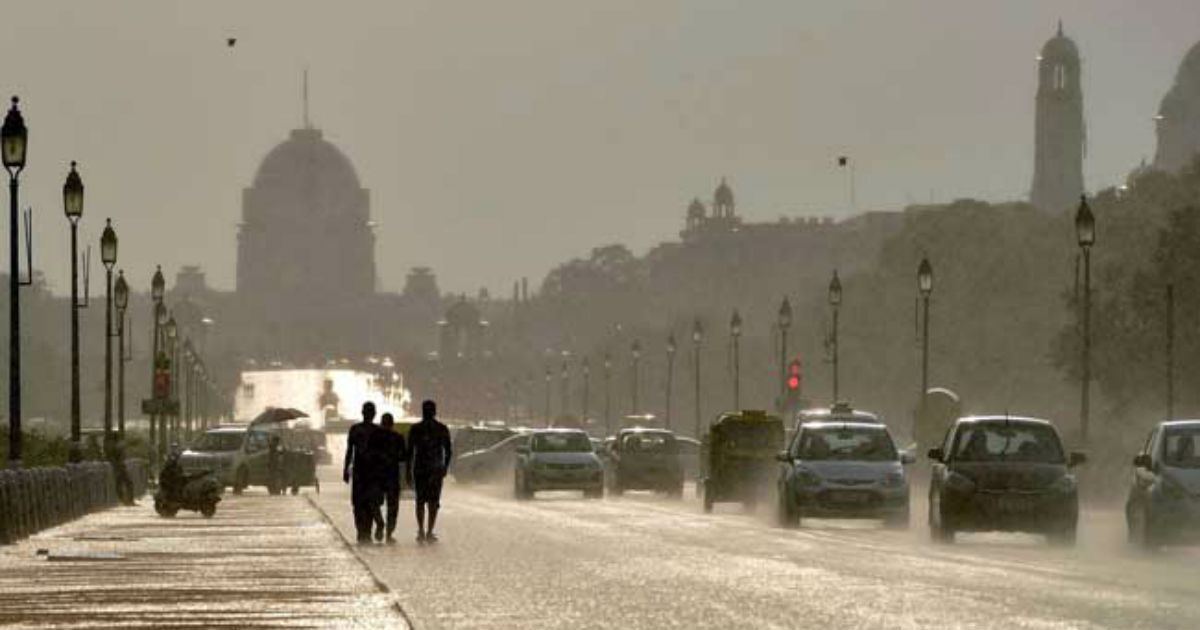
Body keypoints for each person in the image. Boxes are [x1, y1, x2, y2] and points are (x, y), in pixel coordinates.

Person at [407, 400, 452, 543]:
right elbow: (448, 451)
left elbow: (410, 452)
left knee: (420, 500)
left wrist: (408, 471)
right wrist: (445, 467)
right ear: (434, 412)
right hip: (435, 469)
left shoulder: (416, 429)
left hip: (420, 468)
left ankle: (421, 530)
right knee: (433, 501)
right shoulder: (441, 429)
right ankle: (429, 531)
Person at [344, 401, 384, 544]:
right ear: (374, 414)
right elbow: (382, 454)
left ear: (363, 413)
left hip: (361, 472)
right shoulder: (378, 431)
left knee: (359, 504)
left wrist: (346, 469)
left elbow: (350, 451)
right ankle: (367, 530)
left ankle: (362, 531)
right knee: (370, 503)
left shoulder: (355, 429)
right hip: (372, 472)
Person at [377, 413, 408, 544]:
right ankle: (389, 533)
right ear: (392, 424)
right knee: (393, 506)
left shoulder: (375, 437)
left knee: (375, 503)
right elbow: (403, 457)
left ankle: (379, 523)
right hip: (392, 475)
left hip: (378, 475)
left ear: (381, 423)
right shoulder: (398, 437)